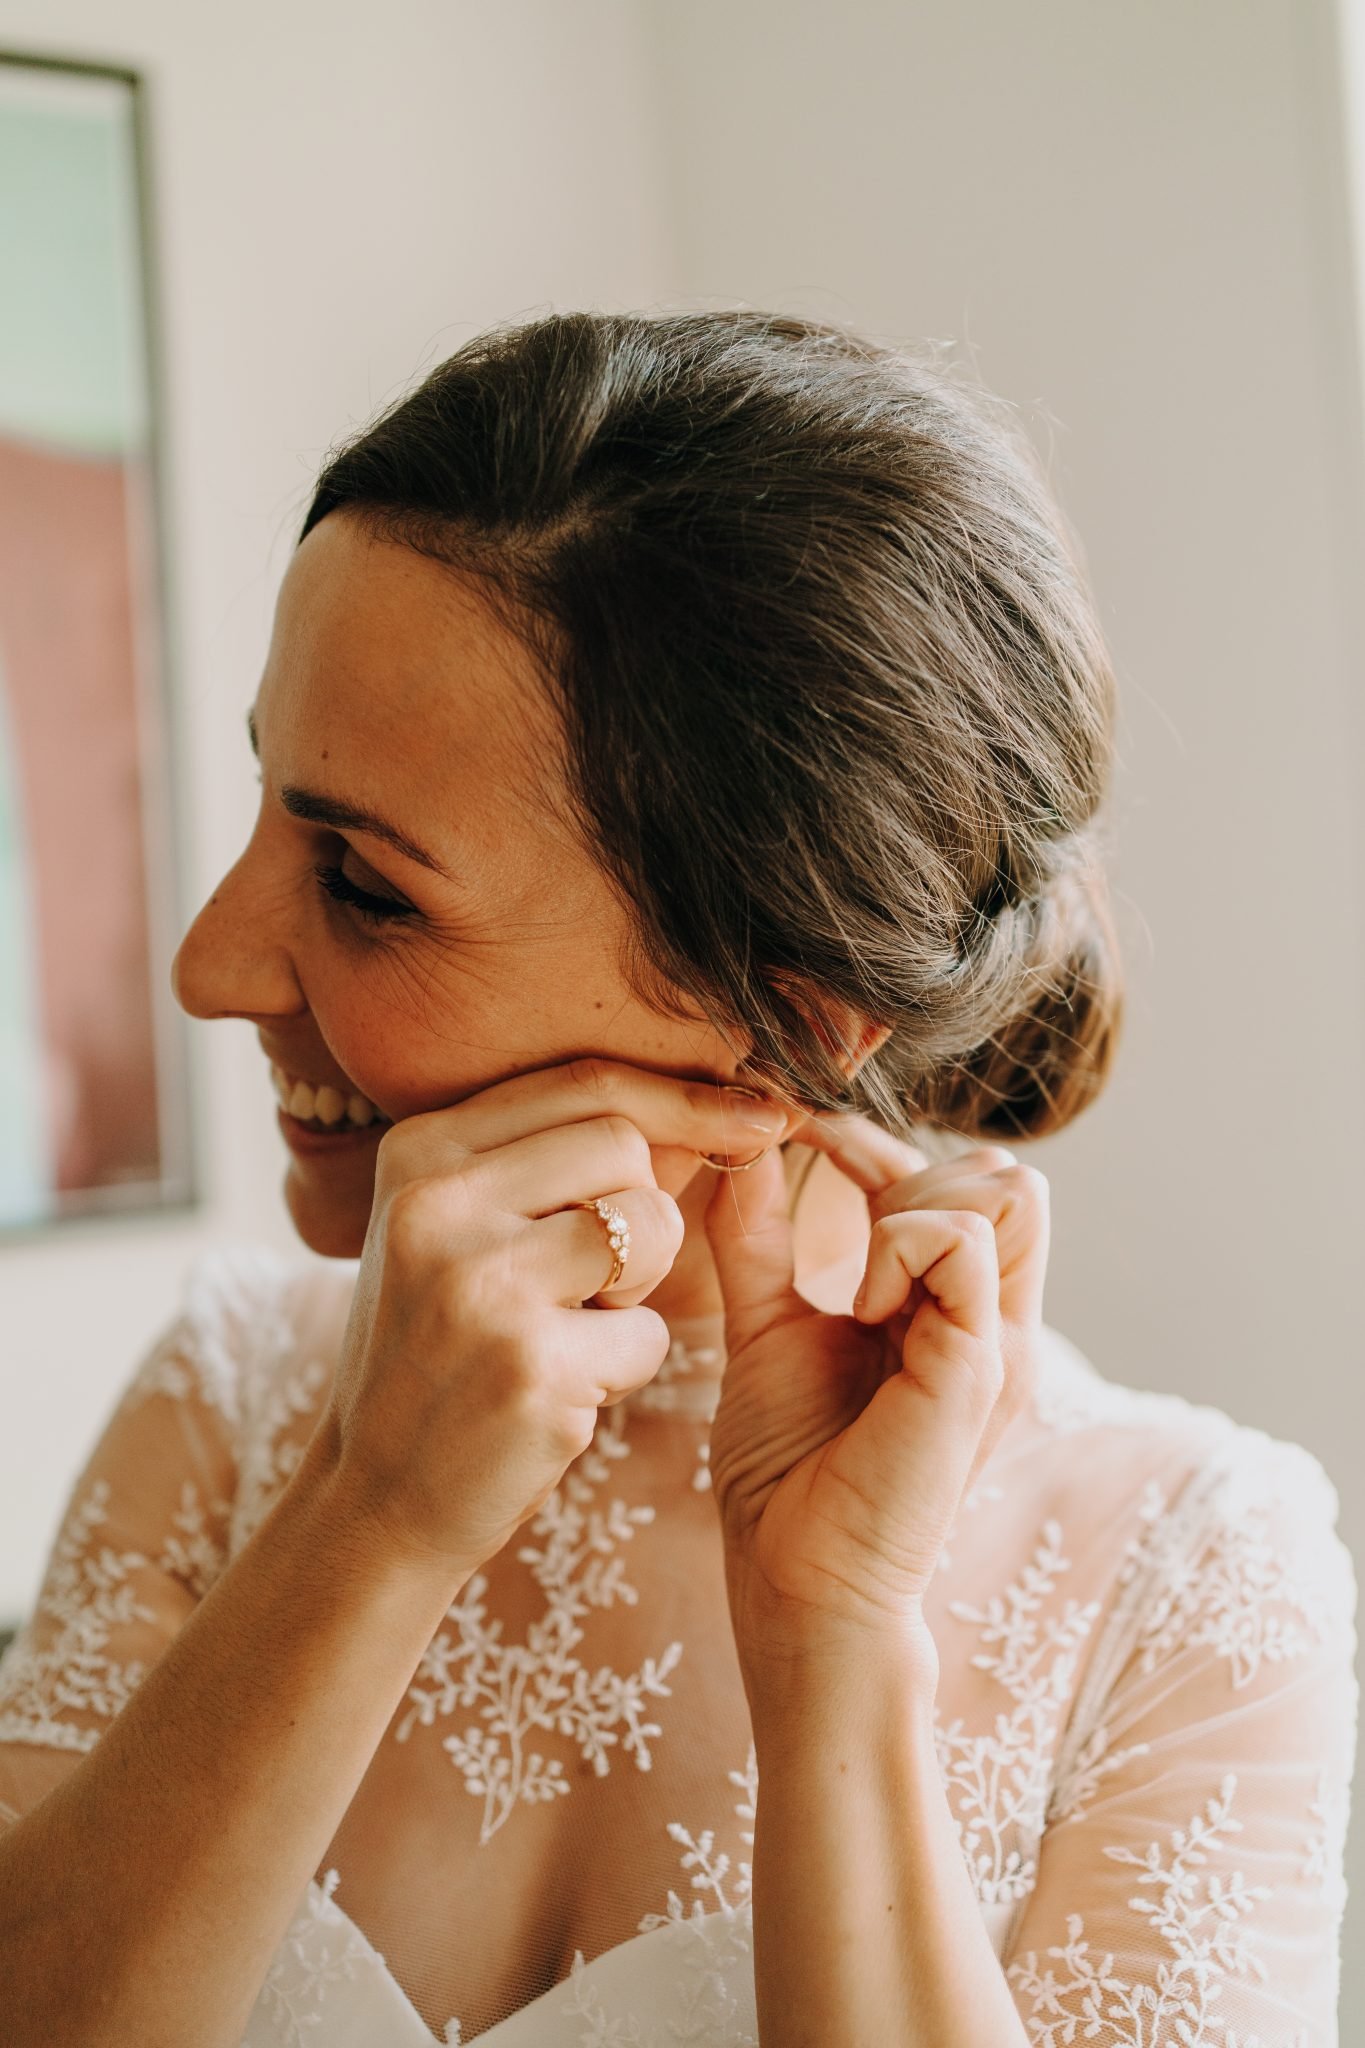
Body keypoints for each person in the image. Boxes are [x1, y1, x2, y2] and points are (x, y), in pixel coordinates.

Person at [0, 309, 1355, 2047]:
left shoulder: (1186, 1575)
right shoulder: (232, 1399)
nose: (209, 964)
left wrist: (836, 1640)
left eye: (366, 885)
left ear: (782, 1009)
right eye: (267, 799)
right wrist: (369, 1522)